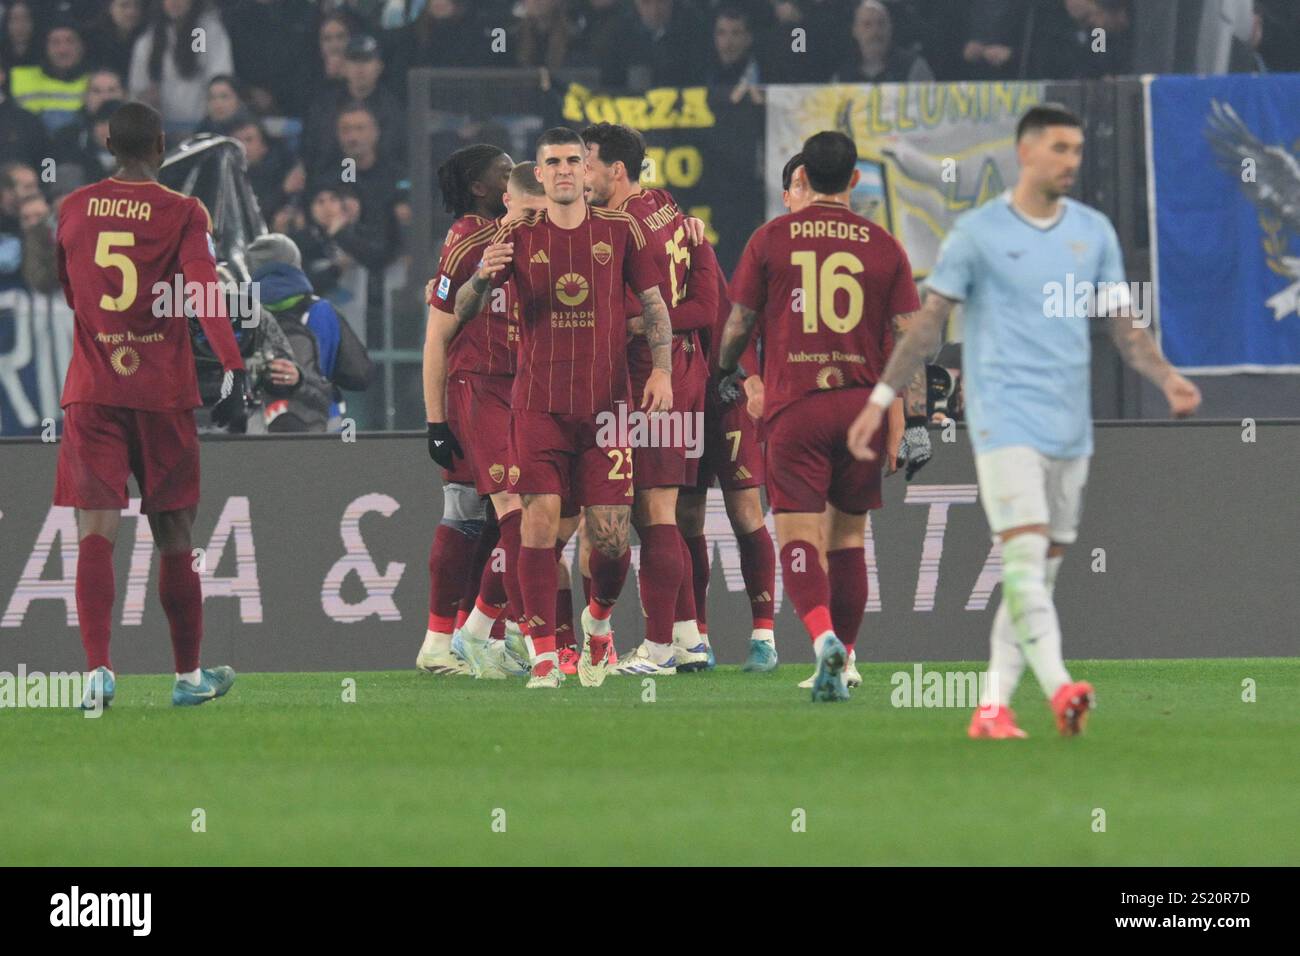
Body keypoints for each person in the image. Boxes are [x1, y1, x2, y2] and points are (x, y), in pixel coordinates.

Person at [847, 104, 1202, 736]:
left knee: (1038, 571)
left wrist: (1167, 377)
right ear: (1027, 152)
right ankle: (1061, 689)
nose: (1072, 161)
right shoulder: (977, 235)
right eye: (1060, 149)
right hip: (1003, 420)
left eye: (1077, 150)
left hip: (1070, 427)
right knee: (1023, 559)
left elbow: (1124, 327)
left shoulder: (1092, 232)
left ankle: (992, 707)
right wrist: (880, 400)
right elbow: (928, 323)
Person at [717, 130, 927, 702]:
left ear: (801, 177)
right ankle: (850, 659)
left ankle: (822, 640)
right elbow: (910, 338)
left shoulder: (770, 240)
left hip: (797, 406)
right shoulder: (884, 246)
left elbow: (738, 324)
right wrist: (915, 420)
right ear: (856, 180)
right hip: (861, 405)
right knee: (850, 537)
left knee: (797, 533)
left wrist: (724, 370)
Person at [461, 127, 674, 689]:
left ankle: (597, 621)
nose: (561, 171)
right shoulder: (519, 235)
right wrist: (483, 275)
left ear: (586, 171)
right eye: (551, 162)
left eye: (572, 161)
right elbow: (462, 306)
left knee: (610, 537)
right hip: (538, 408)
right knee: (538, 526)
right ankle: (545, 655)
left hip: (606, 411)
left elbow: (654, 305)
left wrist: (662, 370)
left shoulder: (619, 230)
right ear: (541, 169)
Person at [52, 100, 246, 709]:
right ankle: (188, 678)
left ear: (109, 143)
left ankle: (96, 672)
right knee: (174, 531)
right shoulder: (184, 211)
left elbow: (69, 291)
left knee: (95, 528)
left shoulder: (74, 208)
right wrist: (233, 365)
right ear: (161, 145)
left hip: (94, 389)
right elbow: (204, 291)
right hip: (160, 392)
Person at [581, 121, 718, 677]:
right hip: (684, 372)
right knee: (662, 511)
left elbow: (649, 306)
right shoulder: (662, 204)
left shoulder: (620, 225)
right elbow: (700, 301)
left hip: (649, 379)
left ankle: (657, 649)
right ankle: (687, 638)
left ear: (616, 171)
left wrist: (635, 322)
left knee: (653, 510)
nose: (581, 175)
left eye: (587, 164)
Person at [423, 152, 551, 679]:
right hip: (478, 390)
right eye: (504, 173)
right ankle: (463, 635)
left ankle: (486, 635)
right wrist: (435, 420)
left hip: (528, 392)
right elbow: (438, 333)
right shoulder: (471, 241)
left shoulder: (555, 245)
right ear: (498, 195)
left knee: (490, 519)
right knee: (498, 512)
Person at [129, 0, 234, 133]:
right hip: (162, 130)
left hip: (203, 125)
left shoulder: (206, 32)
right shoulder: (149, 38)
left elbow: (220, 76)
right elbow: (138, 87)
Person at [9, 17, 91, 133]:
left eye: (70, 41)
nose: (62, 50)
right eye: (55, 43)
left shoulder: (96, 83)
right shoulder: (17, 77)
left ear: (81, 47)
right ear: (45, 48)